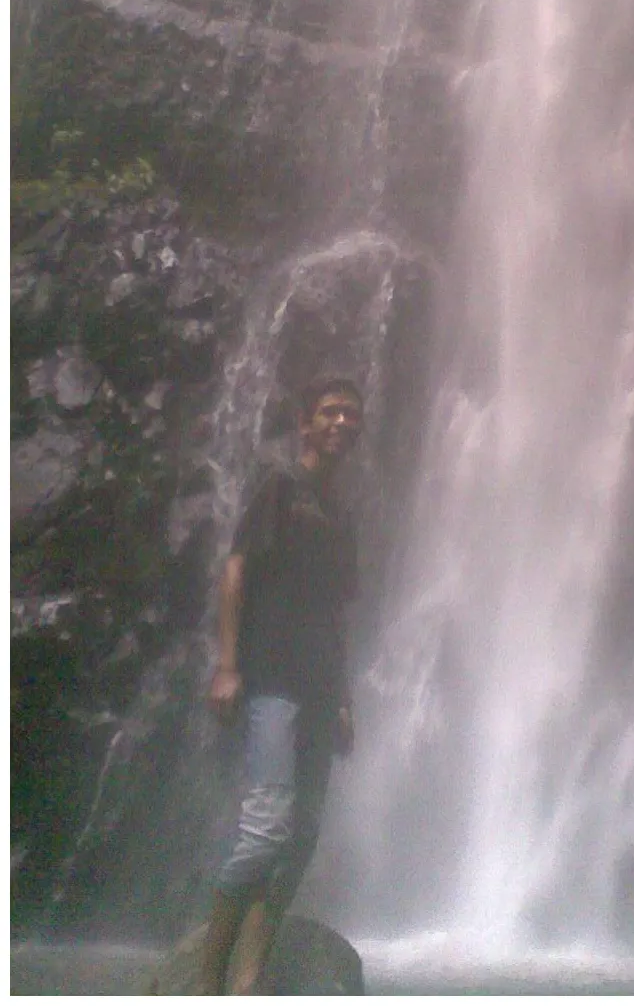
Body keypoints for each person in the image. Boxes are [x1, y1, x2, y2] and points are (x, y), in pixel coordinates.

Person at [198, 375, 364, 995]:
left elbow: (337, 613)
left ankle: (250, 974)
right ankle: (209, 973)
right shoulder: (280, 488)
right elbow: (236, 570)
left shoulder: (343, 516)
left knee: (305, 832)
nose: (342, 421)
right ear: (307, 423)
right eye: (330, 411)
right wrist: (227, 663)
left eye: (351, 413)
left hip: (321, 691)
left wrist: (345, 698)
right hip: (272, 679)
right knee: (268, 824)